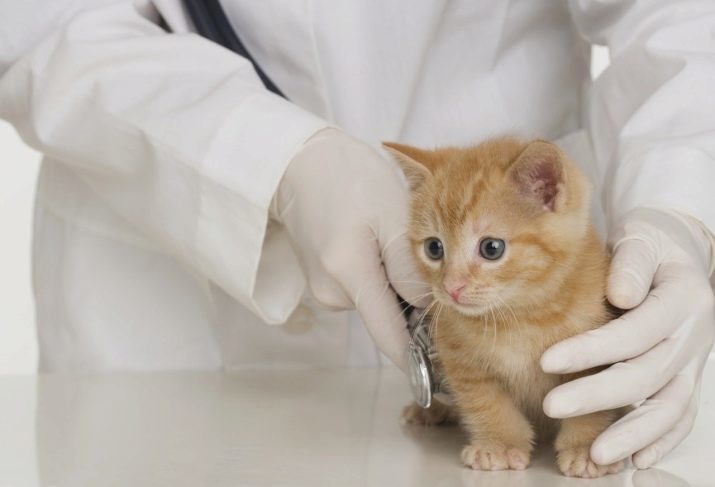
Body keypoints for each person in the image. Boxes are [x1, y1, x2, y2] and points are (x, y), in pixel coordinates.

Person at [0, 0, 713, 470]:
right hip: (168, 302)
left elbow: (680, 18)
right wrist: (269, 159)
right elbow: (39, 23)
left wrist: (680, 203)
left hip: (507, 218)